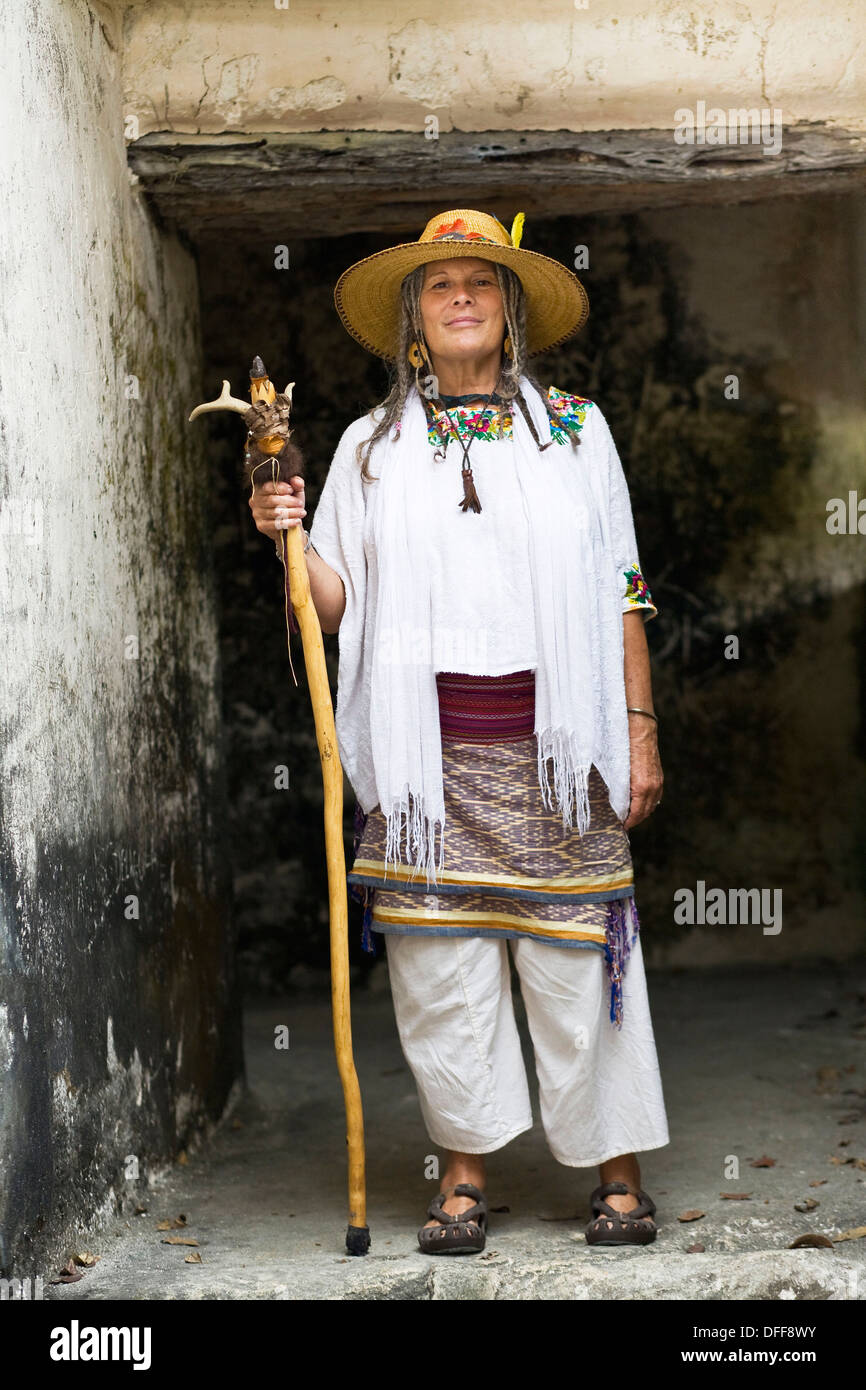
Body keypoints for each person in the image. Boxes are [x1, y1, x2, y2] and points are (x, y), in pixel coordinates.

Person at [249, 208, 669, 1252]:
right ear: (414, 320)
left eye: (481, 280)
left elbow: (623, 589)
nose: (462, 297)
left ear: (511, 309)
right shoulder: (369, 446)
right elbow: (332, 604)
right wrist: (283, 532)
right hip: (423, 759)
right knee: (442, 974)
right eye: (440, 286)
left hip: (558, 754)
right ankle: (466, 1175)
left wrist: (639, 732)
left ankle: (615, 1172)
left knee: (579, 956)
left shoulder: (576, 430)